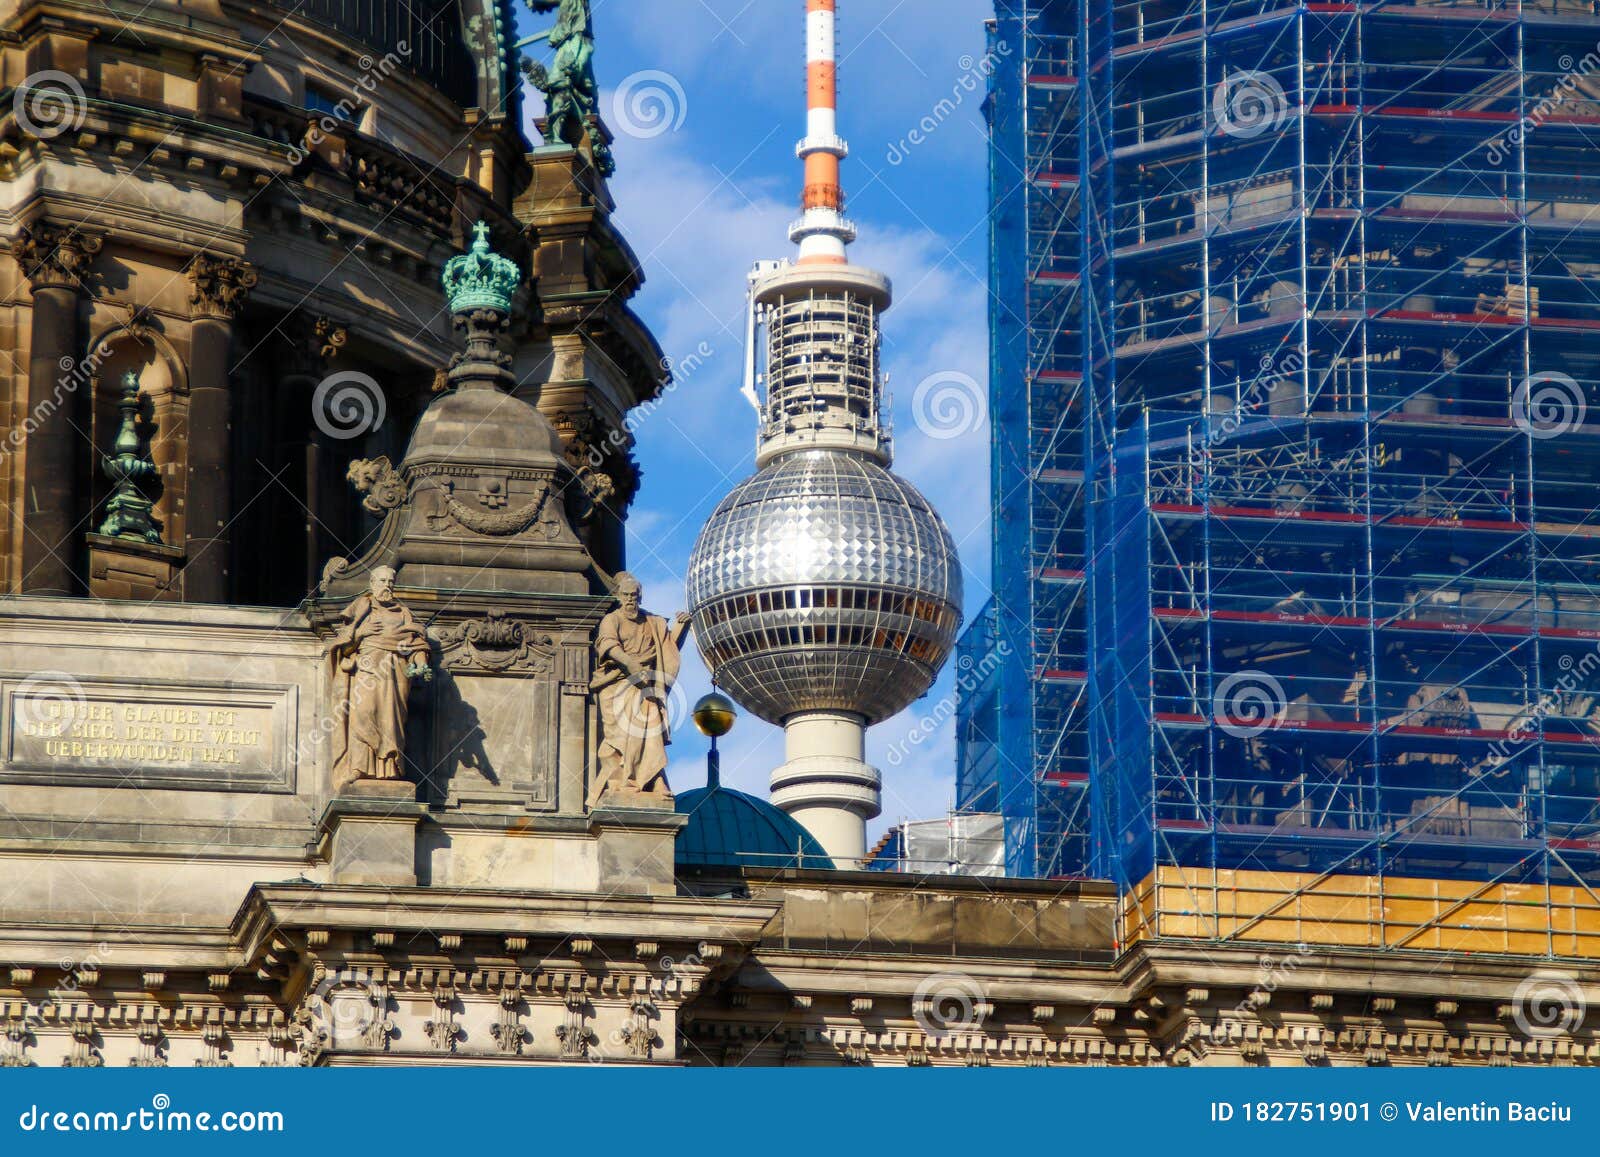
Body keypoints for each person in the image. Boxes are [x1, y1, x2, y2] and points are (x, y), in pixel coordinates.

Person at [589, 572, 691, 803]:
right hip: (616, 684)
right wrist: (629, 663)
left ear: (640, 597)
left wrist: (681, 627)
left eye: (634, 595)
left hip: (644, 684)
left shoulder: (652, 622)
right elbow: (608, 645)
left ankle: (653, 777)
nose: (630, 600)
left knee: (649, 721)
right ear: (618, 596)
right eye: (625, 595)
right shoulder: (612, 620)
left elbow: (668, 649)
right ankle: (636, 778)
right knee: (626, 731)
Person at [328, 566, 430, 790]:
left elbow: (416, 643)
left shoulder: (402, 613)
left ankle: (388, 770)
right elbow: (342, 648)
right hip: (366, 671)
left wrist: (421, 664)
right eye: (382, 581)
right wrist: (360, 633)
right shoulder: (361, 609)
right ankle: (359, 767)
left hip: (394, 675)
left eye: (391, 582)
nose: (387, 586)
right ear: (372, 583)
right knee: (362, 715)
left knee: (390, 723)